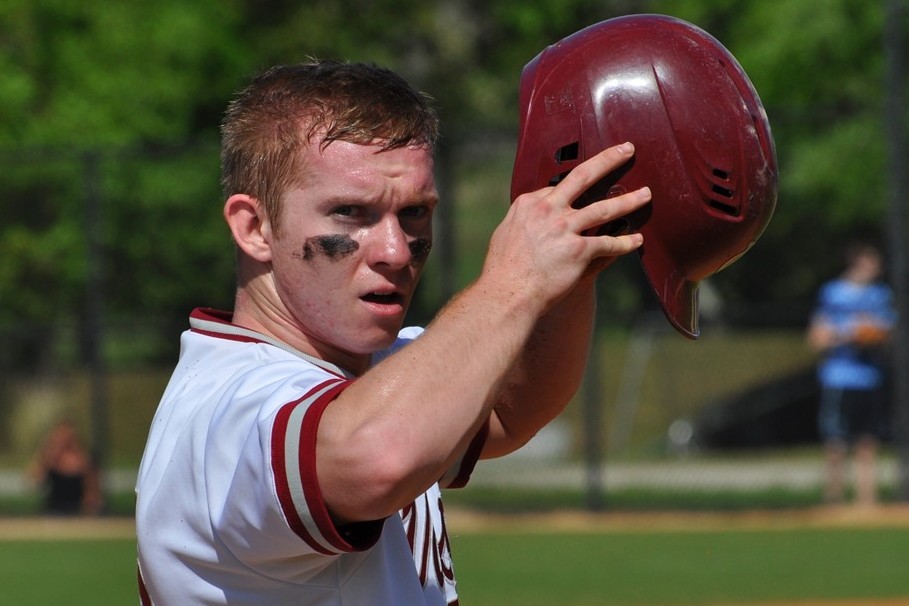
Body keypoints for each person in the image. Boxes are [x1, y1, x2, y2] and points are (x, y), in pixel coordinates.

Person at [134, 59, 650, 605]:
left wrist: (574, 262)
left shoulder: (369, 373)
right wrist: (511, 284)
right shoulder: (227, 410)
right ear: (254, 228)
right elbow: (376, 458)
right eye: (351, 213)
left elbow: (507, 410)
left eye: (414, 213)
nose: (396, 250)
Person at [807, 243, 896, 506]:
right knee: (836, 441)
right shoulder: (833, 293)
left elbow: (887, 330)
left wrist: (870, 334)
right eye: (871, 262)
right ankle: (834, 498)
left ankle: (867, 500)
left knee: (867, 441)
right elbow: (817, 336)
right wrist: (851, 334)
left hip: (869, 378)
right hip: (840, 377)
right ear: (856, 263)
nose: (876, 268)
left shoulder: (880, 294)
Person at [28, 420, 102, 516]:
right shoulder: (50, 459)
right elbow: (33, 482)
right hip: (53, 510)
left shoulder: (85, 459)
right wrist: (46, 453)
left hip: (78, 510)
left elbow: (93, 491)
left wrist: (90, 508)